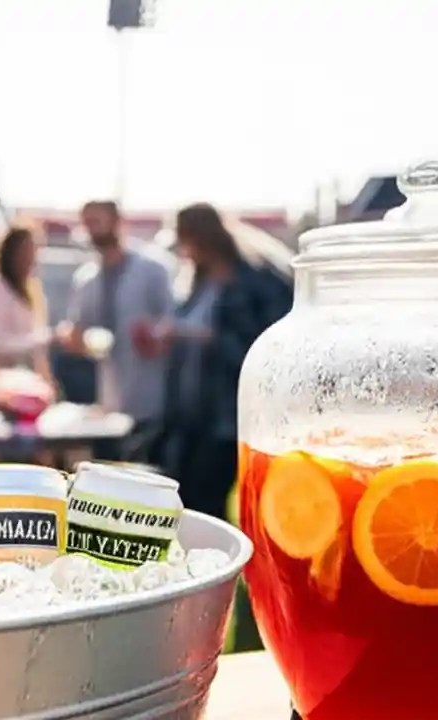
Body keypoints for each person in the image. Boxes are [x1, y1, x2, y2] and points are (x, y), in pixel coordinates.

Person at [155, 202, 289, 653]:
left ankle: (233, 605)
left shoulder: (253, 282)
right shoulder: (195, 283)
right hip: (193, 418)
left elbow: (264, 344)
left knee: (221, 515)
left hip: (231, 420)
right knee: (192, 513)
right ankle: (196, 604)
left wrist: (203, 337)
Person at [56, 200, 173, 462]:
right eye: (87, 223)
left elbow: (171, 318)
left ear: (117, 222)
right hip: (109, 398)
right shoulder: (87, 278)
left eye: (97, 221)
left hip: (151, 394)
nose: (92, 229)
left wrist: (156, 335)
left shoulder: (153, 269)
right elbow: (78, 328)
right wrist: (74, 340)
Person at [0, 219, 56, 387]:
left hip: (28, 382)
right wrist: (45, 338)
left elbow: (38, 354)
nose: (31, 258)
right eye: (25, 251)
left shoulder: (32, 290)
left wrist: (46, 380)